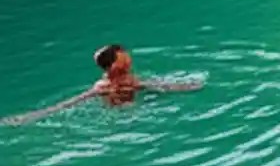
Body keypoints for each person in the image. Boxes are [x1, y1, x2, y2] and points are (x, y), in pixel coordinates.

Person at [0, 44, 203, 125]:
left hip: (114, 116)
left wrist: (31, 116)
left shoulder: (102, 86)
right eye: (123, 56)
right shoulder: (130, 82)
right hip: (132, 113)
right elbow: (163, 86)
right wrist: (190, 86)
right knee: (157, 93)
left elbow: (68, 104)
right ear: (118, 63)